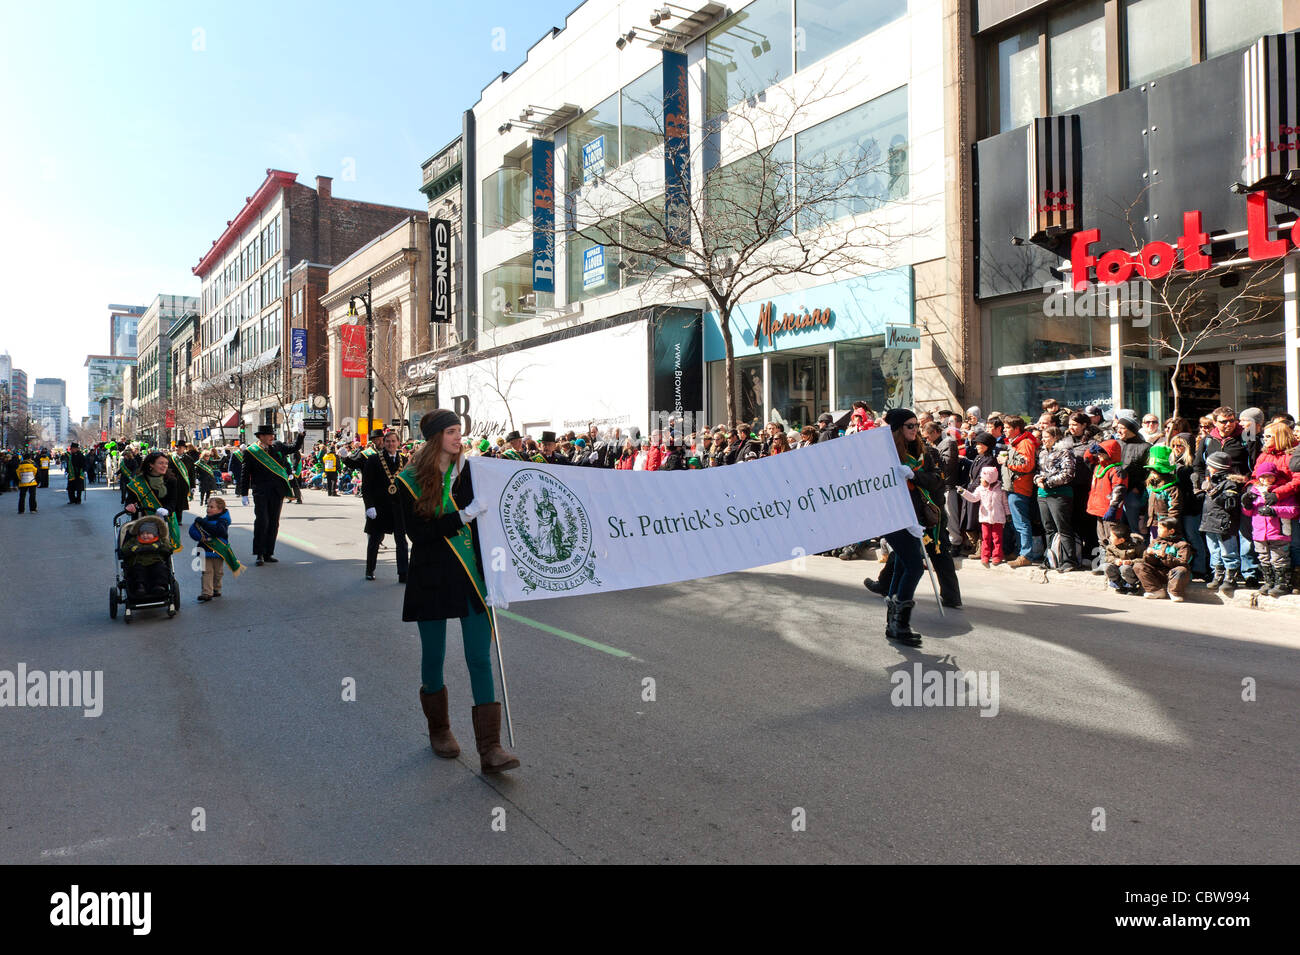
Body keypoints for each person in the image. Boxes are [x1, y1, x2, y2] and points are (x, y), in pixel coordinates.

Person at [397, 409, 519, 774]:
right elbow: (418, 536)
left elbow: (493, 525)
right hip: (432, 576)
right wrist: (461, 517)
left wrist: (498, 577)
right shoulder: (408, 480)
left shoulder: (472, 473)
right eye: (451, 431)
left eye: (458, 431)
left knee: (479, 657)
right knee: (433, 657)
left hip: (471, 576)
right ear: (435, 437)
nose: (458, 437)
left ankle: (491, 748)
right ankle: (440, 730)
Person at [880, 408, 943, 647]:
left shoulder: (920, 451)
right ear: (897, 428)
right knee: (915, 567)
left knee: (903, 566)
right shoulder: (885, 453)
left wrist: (914, 477)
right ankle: (900, 623)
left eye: (916, 425)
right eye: (909, 425)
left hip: (916, 517)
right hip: (894, 518)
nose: (915, 430)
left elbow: (937, 479)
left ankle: (893, 624)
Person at [237, 425, 303, 566]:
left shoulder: (277, 446)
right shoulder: (251, 452)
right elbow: (245, 473)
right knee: (262, 521)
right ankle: (259, 554)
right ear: (261, 436)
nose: (272, 437)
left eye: (272, 434)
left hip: (277, 491)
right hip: (260, 491)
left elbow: (294, 448)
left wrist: (301, 435)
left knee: (274, 522)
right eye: (269, 435)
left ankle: (268, 553)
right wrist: (244, 493)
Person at [1240, 461, 1296, 597]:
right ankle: (1269, 581)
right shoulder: (1254, 491)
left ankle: (1282, 583)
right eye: (1263, 477)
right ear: (1258, 477)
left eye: (1269, 476)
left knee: (1279, 558)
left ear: (1275, 476)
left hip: (1278, 532)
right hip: (1260, 532)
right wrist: (1246, 505)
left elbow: (1293, 510)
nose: (1266, 480)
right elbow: (1249, 513)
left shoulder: (1281, 491)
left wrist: (1274, 511)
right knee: (1263, 557)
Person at [362, 430, 409, 582]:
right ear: (384, 443)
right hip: (379, 506)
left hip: (398, 507)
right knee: (374, 540)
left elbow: (408, 485)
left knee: (401, 541)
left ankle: (403, 573)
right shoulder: (373, 460)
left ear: (398, 443)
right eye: (388, 441)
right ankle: (370, 569)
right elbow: (366, 486)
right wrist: (369, 506)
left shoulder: (404, 459)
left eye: (394, 441)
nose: (391, 444)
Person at [1034, 425, 1077, 571]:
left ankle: (1069, 560)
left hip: (1060, 494)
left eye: (1046, 437)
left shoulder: (1065, 452)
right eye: (1042, 437)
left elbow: (1068, 473)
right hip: (1043, 494)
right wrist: (1038, 480)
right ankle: (1052, 558)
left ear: (1055, 437)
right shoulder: (1042, 452)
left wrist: (1047, 482)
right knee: (1048, 529)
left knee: (1063, 528)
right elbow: (1038, 471)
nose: (1043, 440)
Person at [124, 450, 186, 548]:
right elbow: (130, 500)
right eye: (161, 463)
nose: (164, 466)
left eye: (166, 463)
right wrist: (129, 506)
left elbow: (173, 502)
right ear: (151, 465)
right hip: (142, 521)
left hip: (163, 522)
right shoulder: (138, 481)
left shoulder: (171, 480)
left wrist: (166, 510)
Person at [1001, 416, 1039, 567]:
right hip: (1013, 487)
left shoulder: (1024, 443)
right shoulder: (1016, 443)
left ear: (1016, 429)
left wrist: (1006, 462)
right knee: (1017, 523)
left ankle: (1026, 554)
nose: (1004, 430)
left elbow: (1026, 465)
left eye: (1007, 427)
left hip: (1019, 487)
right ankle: (1020, 552)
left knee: (1021, 523)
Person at [957, 465, 1010, 568]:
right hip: (985, 518)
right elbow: (973, 498)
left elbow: (1005, 503)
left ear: (990, 479)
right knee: (985, 537)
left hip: (998, 519)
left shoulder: (1000, 489)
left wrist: (1008, 514)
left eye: (983, 478)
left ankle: (997, 555)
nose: (980, 479)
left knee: (997, 538)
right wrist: (964, 492)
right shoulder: (980, 489)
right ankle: (985, 555)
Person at [1085, 439, 1128, 561]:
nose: (1098, 455)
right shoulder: (1099, 467)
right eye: (1098, 452)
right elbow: (1087, 459)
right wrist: (1090, 450)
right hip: (1098, 509)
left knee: (1112, 538)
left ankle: (1114, 561)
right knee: (1102, 538)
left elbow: (1119, 490)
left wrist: (1113, 508)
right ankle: (1104, 560)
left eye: (1102, 452)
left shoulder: (1117, 470)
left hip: (1110, 510)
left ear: (1110, 454)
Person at [1134, 517, 1192, 602]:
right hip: (1158, 572)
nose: (1158, 530)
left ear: (1171, 531)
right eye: (1158, 528)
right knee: (1138, 566)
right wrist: (1149, 554)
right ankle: (1155, 590)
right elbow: (1148, 561)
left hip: (1173, 574)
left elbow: (1182, 562)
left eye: (1161, 528)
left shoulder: (1182, 545)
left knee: (1182, 570)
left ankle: (1174, 592)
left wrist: (1165, 556)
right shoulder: (1155, 542)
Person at [189, 496, 234, 602]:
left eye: (212, 507)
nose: (208, 509)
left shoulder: (223, 521)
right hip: (204, 550)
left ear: (220, 510)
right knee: (207, 572)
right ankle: (206, 593)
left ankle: (216, 589)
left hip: (218, 551)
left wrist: (203, 523)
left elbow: (218, 531)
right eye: (208, 506)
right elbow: (192, 531)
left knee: (218, 572)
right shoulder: (205, 520)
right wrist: (199, 537)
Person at [122, 522, 171, 599]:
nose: (145, 535)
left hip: (156, 561)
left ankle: (159, 586)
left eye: (148, 533)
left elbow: (169, 549)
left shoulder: (160, 541)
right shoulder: (134, 541)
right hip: (139, 562)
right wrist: (132, 548)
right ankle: (140, 586)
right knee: (137, 571)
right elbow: (124, 550)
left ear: (154, 534)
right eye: (142, 533)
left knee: (160, 569)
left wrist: (161, 548)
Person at [1102, 525, 1144, 595]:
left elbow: (1143, 559)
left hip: (1130, 569)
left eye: (1112, 536)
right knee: (1107, 566)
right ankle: (1118, 585)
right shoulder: (1111, 547)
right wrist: (1115, 560)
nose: (1109, 538)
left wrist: (1131, 562)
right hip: (1117, 568)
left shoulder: (1136, 546)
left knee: (1125, 568)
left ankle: (1132, 586)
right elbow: (1107, 557)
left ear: (1121, 540)